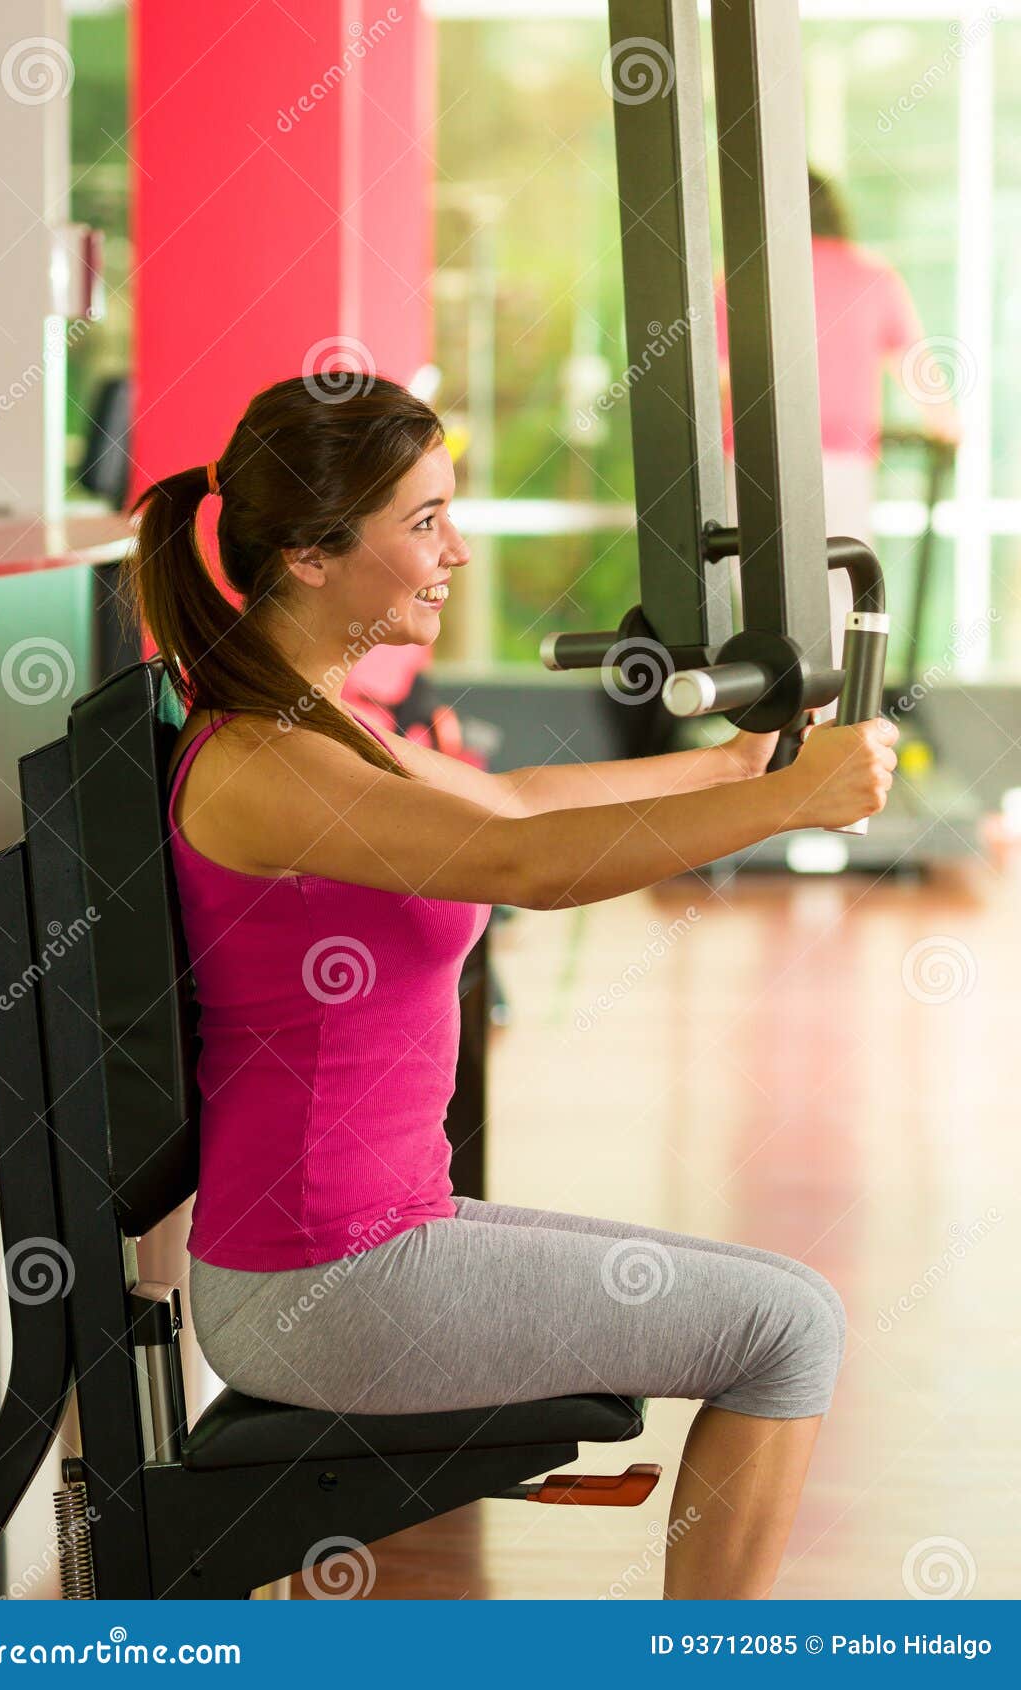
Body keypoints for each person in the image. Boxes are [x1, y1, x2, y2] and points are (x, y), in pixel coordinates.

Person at [121, 372, 897, 1600]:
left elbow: (515, 803)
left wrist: (731, 765)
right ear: (314, 555)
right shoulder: (262, 762)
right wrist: (788, 804)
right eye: (422, 520)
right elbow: (520, 865)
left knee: (782, 1311)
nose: (457, 551)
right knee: (784, 1327)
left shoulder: (315, 722)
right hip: (324, 1281)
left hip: (358, 1246)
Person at [716, 167, 960, 666]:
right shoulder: (871, 275)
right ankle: (829, 717)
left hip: (755, 455)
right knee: (841, 583)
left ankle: (775, 718)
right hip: (843, 458)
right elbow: (916, 366)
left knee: (758, 586)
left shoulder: (742, 277)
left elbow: (718, 374)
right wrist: (947, 426)